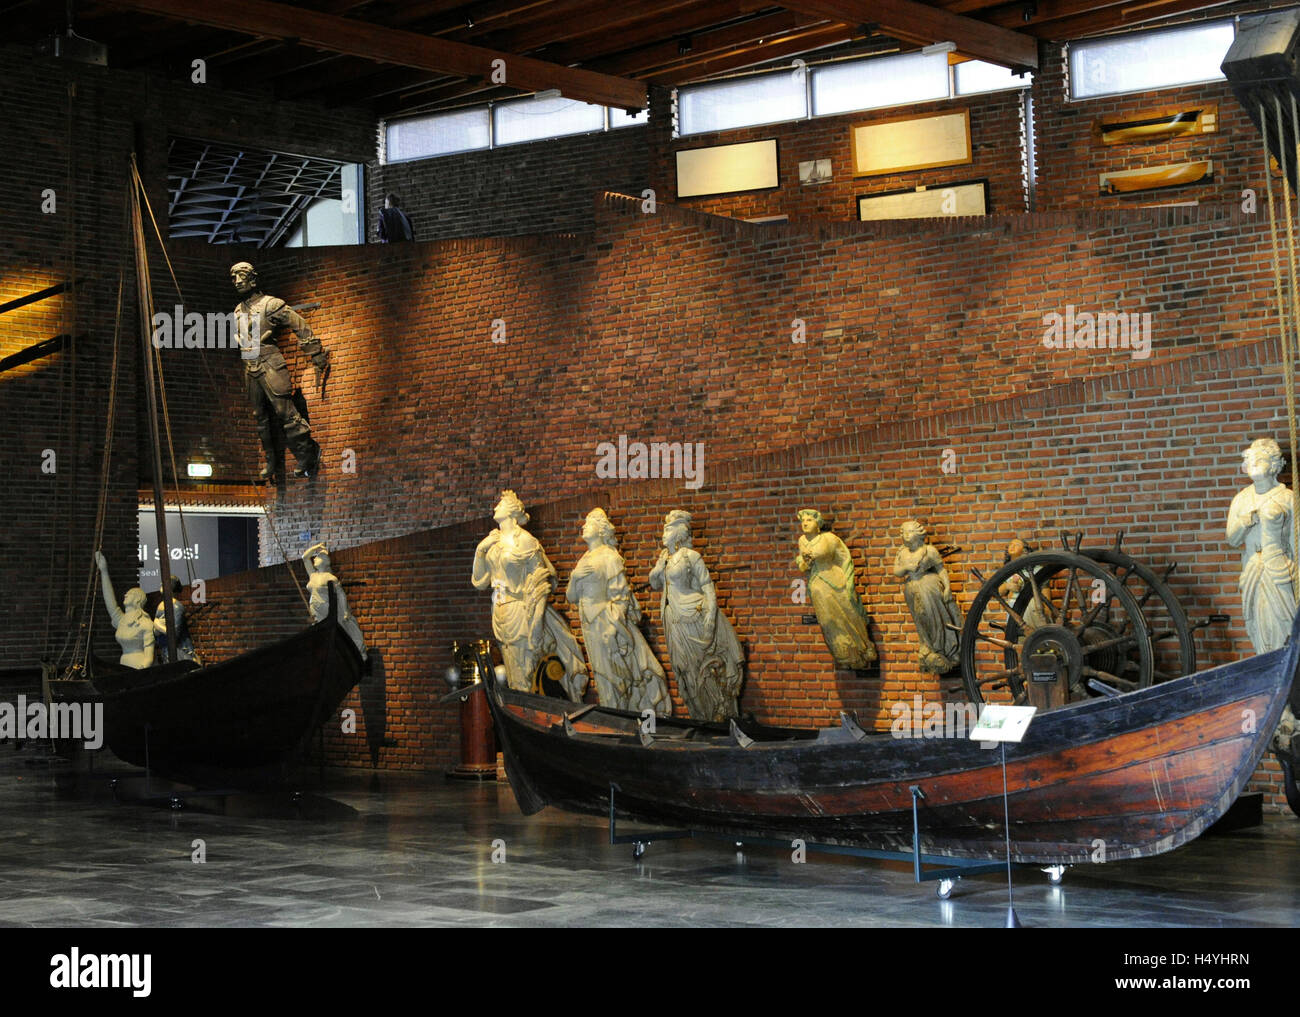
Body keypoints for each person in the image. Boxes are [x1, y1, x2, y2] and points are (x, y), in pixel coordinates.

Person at [471, 491, 587, 700]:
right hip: (499, 611)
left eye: (502, 503)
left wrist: (536, 623)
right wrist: (481, 549)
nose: (496, 506)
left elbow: (542, 582)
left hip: (519, 610)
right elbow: (479, 582)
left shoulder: (525, 541)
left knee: (525, 668)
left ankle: (529, 712)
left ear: (513, 512)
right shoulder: (492, 542)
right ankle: (520, 709)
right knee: (511, 667)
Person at [230, 261, 330, 483]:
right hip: (249, 364)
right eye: (234, 277)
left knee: (286, 412)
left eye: (242, 276)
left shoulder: (271, 304)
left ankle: (307, 454)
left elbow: (299, 323)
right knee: (260, 417)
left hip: (270, 362)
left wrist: (315, 352)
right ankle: (270, 461)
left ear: (253, 278)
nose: (237, 281)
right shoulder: (238, 311)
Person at [566, 508, 671, 716]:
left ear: (601, 529)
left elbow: (621, 596)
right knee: (601, 673)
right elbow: (571, 597)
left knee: (614, 674)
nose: (584, 526)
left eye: (589, 523)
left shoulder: (609, 556)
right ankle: (614, 716)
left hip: (606, 622)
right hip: (589, 624)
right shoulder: (585, 558)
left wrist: (614, 628)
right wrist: (575, 576)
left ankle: (621, 717)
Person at [648, 510, 744, 722]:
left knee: (705, 665)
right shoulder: (665, 559)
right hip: (674, 620)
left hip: (695, 615)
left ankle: (719, 711)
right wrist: (658, 566)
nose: (663, 534)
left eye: (667, 530)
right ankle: (699, 715)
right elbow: (654, 583)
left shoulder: (692, 557)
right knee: (685, 668)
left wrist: (711, 615)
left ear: (678, 533)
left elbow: (707, 585)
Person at [1226, 437, 1296, 654]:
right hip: (1254, 568)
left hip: (1281, 569)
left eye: (1261, 459)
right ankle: (1265, 660)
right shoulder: (1241, 499)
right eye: (1251, 460)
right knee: (1258, 623)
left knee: (1284, 622)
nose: (1254, 463)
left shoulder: (1288, 498)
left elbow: (1297, 540)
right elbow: (1232, 539)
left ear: (1274, 465)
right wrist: (1245, 521)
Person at [792, 509, 877, 670]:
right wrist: (804, 562)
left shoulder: (829, 539)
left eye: (809, 520)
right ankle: (843, 654)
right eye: (803, 521)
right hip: (817, 586)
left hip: (836, 582)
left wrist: (849, 582)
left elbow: (845, 558)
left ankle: (862, 648)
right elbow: (804, 565)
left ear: (818, 524)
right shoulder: (802, 541)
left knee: (848, 614)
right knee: (828, 622)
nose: (805, 523)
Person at [892, 520, 963, 673]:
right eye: (904, 532)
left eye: (910, 532)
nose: (906, 536)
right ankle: (928, 646)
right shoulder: (902, 552)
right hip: (911, 590)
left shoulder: (929, 550)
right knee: (921, 619)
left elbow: (941, 569)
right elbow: (896, 571)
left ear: (918, 534)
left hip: (929, 588)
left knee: (936, 617)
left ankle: (943, 648)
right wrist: (905, 567)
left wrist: (948, 588)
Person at [302, 543, 368, 660]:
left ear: (324, 561)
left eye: (317, 557)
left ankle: (353, 652)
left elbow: (341, 595)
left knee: (335, 631)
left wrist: (346, 611)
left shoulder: (330, 578)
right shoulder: (313, 575)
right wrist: (316, 548)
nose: (315, 558)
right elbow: (305, 557)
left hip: (326, 609)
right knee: (319, 634)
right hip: (315, 610)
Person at [94, 551, 154, 669]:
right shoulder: (122, 620)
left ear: (137, 599)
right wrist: (104, 572)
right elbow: (110, 603)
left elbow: (149, 656)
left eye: (130, 593)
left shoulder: (145, 623)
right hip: (124, 663)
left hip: (139, 665)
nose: (126, 594)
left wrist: (144, 669)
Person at [153, 575, 201, 665]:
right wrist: (159, 628)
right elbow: (155, 633)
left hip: (179, 651)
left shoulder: (176, 606)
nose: (161, 584)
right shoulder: (160, 606)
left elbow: (173, 634)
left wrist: (157, 625)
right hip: (166, 650)